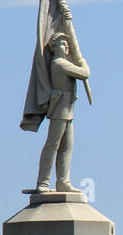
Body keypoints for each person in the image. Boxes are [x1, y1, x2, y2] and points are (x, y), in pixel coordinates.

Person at [35, 34, 90, 193]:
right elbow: (85, 73)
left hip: (68, 107)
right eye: (62, 43)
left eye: (67, 43)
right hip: (60, 107)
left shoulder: (64, 63)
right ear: (54, 47)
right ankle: (43, 182)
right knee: (53, 144)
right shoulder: (60, 64)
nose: (66, 46)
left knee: (66, 146)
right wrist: (82, 62)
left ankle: (63, 182)